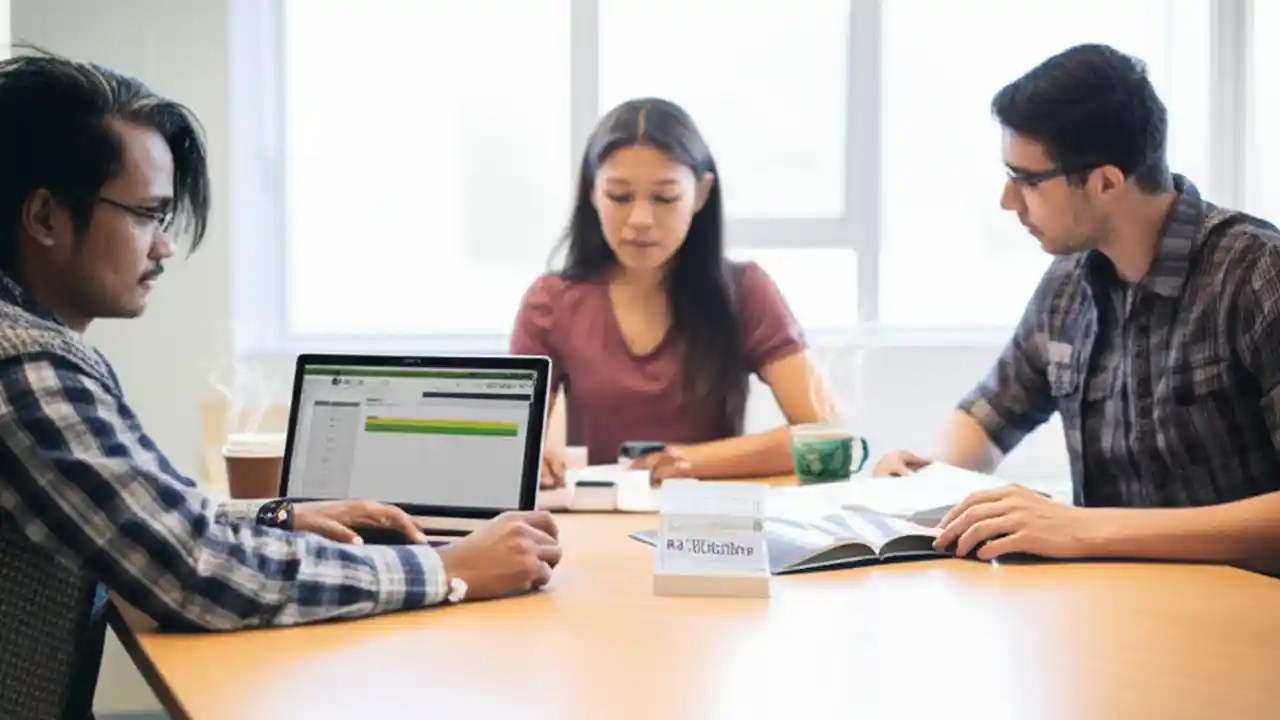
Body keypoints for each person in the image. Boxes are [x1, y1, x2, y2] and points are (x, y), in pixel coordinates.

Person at [0, 52, 561, 716]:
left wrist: (278, 516)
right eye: (148, 214)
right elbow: (193, 572)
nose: (164, 246)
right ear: (44, 218)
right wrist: (447, 570)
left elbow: (142, 519)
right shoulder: (24, 363)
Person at [872, 44, 1280, 574]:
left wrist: (1082, 526)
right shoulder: (1068, 285)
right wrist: (927, 478)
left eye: (1026, 180)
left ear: (1106, 182)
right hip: (1112, 612)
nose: (1008, 201)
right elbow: (989, 416)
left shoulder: (1256, 274)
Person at [510, 98, 831, 487]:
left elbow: (824, 433)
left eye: (664, 198)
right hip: (598, 519)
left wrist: (689, 461)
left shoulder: (745, 291)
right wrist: (534, 463)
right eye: (619, 196)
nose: (640, 220)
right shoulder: (551, 302)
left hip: (711, 520)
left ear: (701, 193)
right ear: (592, 192)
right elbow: (511, 453)